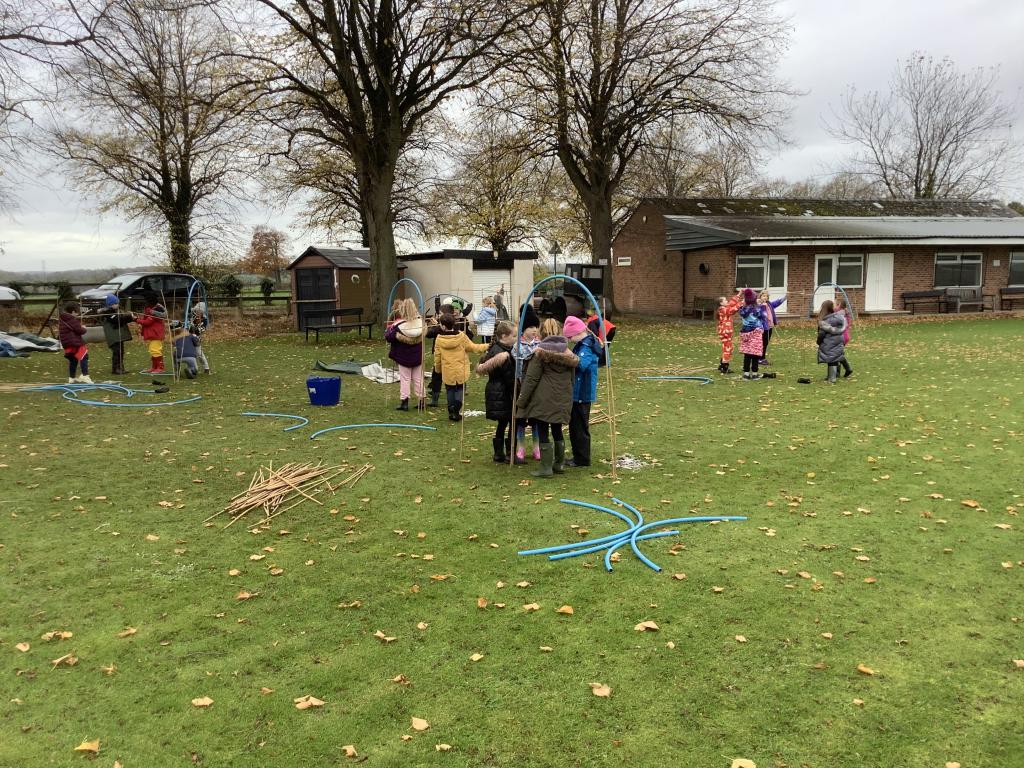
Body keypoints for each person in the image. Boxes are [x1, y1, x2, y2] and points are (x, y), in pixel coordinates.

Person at [515, 318, 579, 478]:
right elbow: (572, 378)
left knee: (543, 430)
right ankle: (559, 464)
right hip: (562, 397)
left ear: (542, 333)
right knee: (557, 429)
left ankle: (546, 468)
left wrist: (521, 401)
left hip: (543, 399)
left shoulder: (540, 354)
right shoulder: (569, 353)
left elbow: (531, 379)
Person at [433, 313, 489, 421]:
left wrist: (438, 369)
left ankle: (452, 410)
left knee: (450, 390)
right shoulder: (461, 336)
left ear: (444, 326)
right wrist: (487, 346)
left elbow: (437, 356)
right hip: (460, 369)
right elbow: (473, 347)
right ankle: (456, 409)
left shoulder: (439, 339)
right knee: (460, 388)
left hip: (448, 370)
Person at [475, 320, 517, 462]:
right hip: (503, 391)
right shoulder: (502, 354)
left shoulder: (494, 349)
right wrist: (517, 391)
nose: (515, 339)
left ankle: (499, 453)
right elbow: (509, 377)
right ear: (504, 336)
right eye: (514, 336)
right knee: (512, 421)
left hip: (495, 389)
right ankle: (510, 452)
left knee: (503, 423)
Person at [564, 315, 601, 468]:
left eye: (570, 337)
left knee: (579, 427)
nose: (569, 339)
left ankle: (582, 458)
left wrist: (567, 355)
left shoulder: (586, 346)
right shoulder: (583, 344)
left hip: (582, 393)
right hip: (578, 393)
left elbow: (582, 365)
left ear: (578, 333)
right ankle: (578, 455)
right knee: (575, 426)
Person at [385, 298, 425, 411]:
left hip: (403, 357)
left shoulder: (398, 326)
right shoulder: (420, 323)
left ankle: (405, 402)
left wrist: (389, 330)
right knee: (418, 378)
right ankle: (422, 400)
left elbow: (389, 337)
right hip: (417, 356)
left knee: (405, 379)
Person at [512, 322, 541, 464]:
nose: (534, 330)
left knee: (536, 418)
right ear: (524, 330)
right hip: (521, 385)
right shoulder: (517, 346)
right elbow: (515, 364)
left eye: (536, 327)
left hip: (536, 387)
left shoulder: (540, 344)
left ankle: (537, 447)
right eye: (531, 327)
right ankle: (521, 446)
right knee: (521, 417)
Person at [58, 302, 93, 384]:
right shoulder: (71, 319)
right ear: (73, 312)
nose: (78, 314)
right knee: (84, 356)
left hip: (67, 344)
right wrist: (84, 328)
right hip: (75, 343)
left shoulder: (63, 319)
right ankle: (85, 376)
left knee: (73, 360)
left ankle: (71, 378)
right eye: (77, 312)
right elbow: (80, 331)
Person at [100, 294, 135, 375]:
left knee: (121, 352)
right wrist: (128, 316)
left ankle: (121, 368)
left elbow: (122, 320)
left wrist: (130, 317)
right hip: (113, 336)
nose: (117, 305)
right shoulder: (107, 312)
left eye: (117, 303)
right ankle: (115, 369)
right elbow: (116, 320)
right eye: (115, 304)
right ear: (110, 304)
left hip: (118, 336)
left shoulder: (117, 311)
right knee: (117, 352)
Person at [817, 299, 848, 383]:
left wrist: (818, 341)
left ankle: (832, 379)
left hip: (829, 342)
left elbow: (822, 334)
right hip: (838, 341)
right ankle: (831, 376)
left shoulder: (825, 320)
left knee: (831, 360)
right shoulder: (838, 317)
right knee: (833, 359)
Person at [137, 292, 168, 374]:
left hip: (156, 334)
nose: (146, 302)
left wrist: (136, 320)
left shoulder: (156, 309)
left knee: (156, 350)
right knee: (152, 350)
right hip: (153, 334)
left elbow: (147, 322)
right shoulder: (150, 308)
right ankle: (154, 367)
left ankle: (160, 368)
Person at [738, 288, 765, 380]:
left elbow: (742, 311)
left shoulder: (742, 310)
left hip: (745, 333)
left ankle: (746, 374)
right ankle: (754, 373)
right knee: (755, 354)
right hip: (756, 333)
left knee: (747, 354)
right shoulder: (757, 309)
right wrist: (762, 306)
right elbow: (763, 316)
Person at [716, 290, 743, 374]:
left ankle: (721, 365)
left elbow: (731, 303)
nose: (727, 301)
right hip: (725, 332)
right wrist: (742, 303)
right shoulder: (722, 309)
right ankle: (725, 368)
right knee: (728, 349)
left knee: (727, 348)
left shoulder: (725, 307)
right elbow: (731, 310)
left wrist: (740, 294)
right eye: (725, 300)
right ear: (721, 303)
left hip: (726, 332)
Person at [758, 290, 787, 365]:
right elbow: (761, 314)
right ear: (760, 297)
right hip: (762, 327)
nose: (765, 297)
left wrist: (785, 297)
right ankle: (760, 359)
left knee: (766, 343)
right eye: (763, 296)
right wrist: (762, 305)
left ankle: (762, 357)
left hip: (770, 327)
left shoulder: (769, 304)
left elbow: (777, 303)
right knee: (762, 343)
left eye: (766, 296)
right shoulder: (758, 305)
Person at [835, 295, 854, 378]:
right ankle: (841, 371)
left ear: (839, 305)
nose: (834, 305)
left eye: (835, 304)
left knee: (837, 353)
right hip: (845, 336)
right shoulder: (845, 312)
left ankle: (846, 370)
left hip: (841, 336)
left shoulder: (838, 311)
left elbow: (829, 310)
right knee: (838, 353)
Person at [190, 301, 211, 374]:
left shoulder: (204, 320)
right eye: (197, 311)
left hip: (197, 338)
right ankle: (192, 368)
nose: (198, 312)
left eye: (199, 311)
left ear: (202, 312)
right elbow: (188, 326)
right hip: (189, 337)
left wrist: (197, 325)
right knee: (189, 353)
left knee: (199, 353)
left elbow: (201, 330)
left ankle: (206, 368)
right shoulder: (193, 317)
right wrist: (191, 324)